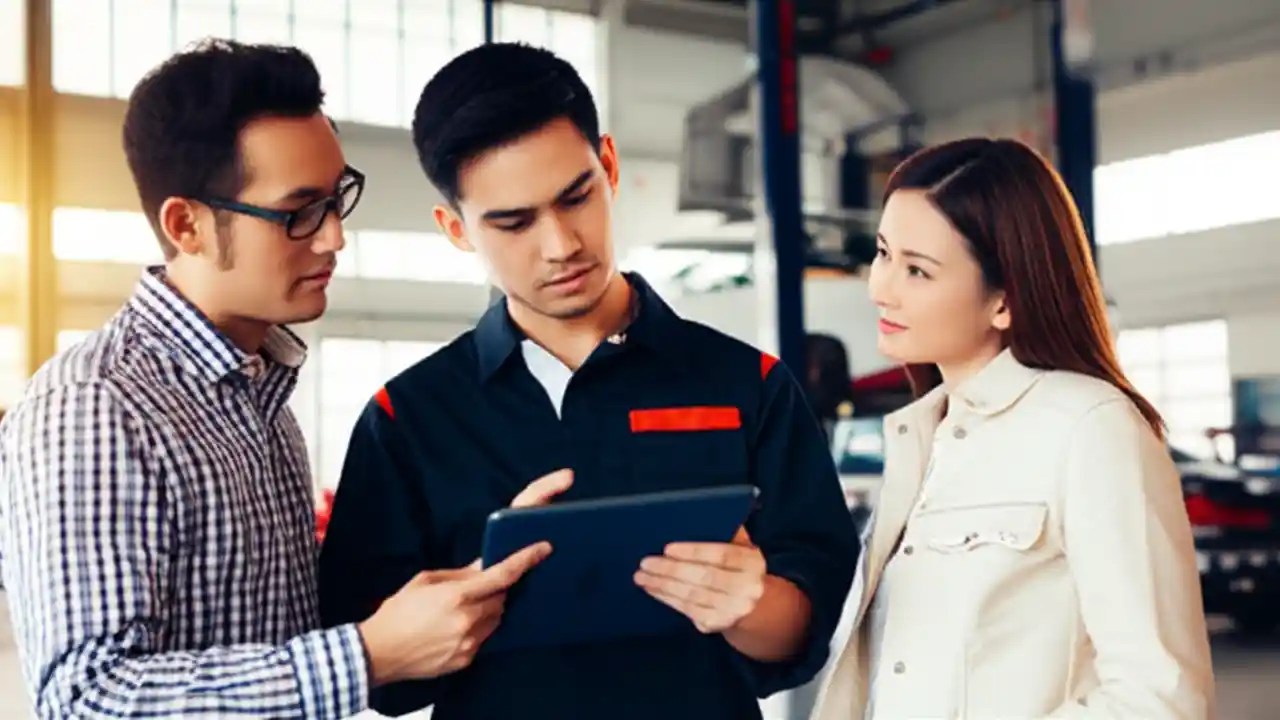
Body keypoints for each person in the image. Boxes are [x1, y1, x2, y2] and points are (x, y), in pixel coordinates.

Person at [0, 39, 548, 720]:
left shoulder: (261, 401)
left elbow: (274, 640)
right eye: (297, 212)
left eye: (336, 199)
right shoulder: (95, 409)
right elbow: (87, 699)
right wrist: (369, 654)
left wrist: (475, 573)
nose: (332, 239)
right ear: (187, 224)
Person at [317, 42, 860, 720]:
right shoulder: (408, 417)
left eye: (576, 197)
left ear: (608, 165)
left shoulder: (749, 386)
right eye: (513, 222)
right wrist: (445, 618)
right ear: (456, 229)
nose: (561, 245)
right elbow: (375, 673)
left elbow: (810, 619)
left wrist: (756, 604)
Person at [810, 138, 1215, 719]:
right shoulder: (925, 436)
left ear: (1003, 300)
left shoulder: (1089, 429)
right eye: (883, 253)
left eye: (918, 270)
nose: (881, 286)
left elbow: (1159, 697)